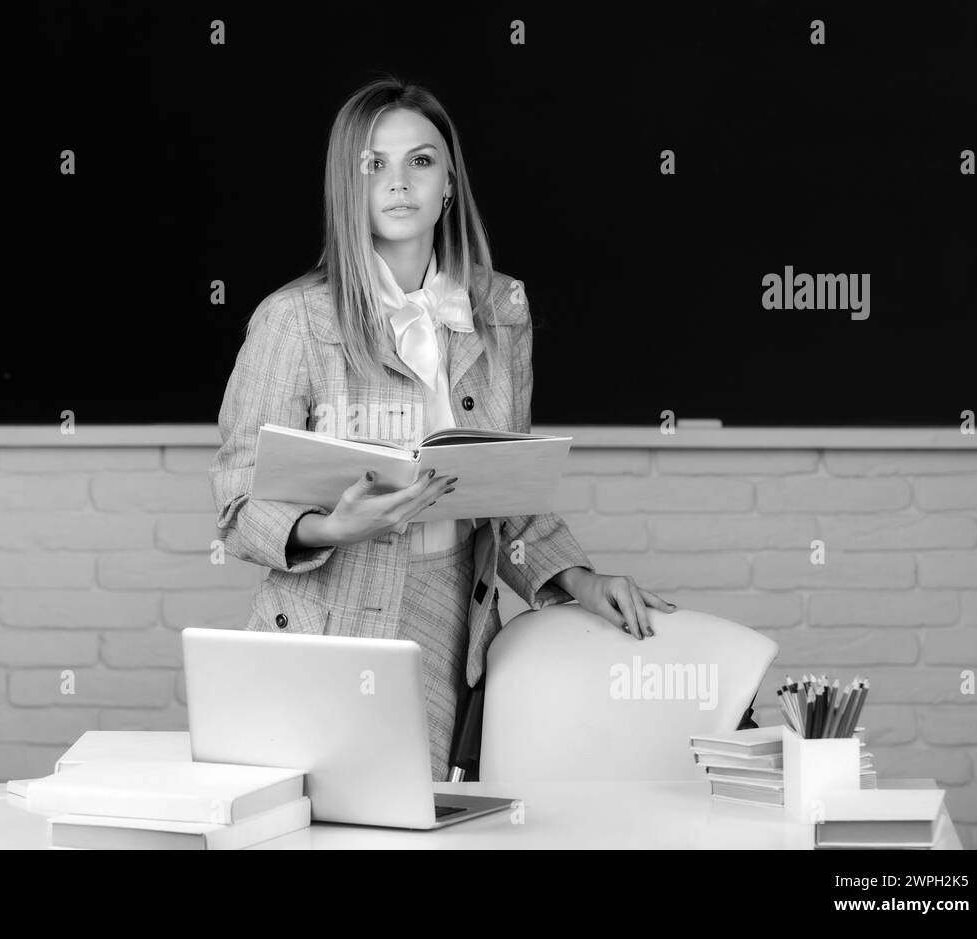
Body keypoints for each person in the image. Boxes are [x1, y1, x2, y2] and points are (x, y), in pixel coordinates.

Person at [209, 77, 675, 780]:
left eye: (421, 161)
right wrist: (333, 527)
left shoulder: (499, 309)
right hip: (324, 626)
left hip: (450, 623)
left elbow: (509, 497)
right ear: (348, 183)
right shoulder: (293, 320)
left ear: (450, 180)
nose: (399, 183)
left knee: (418, 825)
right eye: (375, 164)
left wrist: (579, 579)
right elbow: (238, 504)